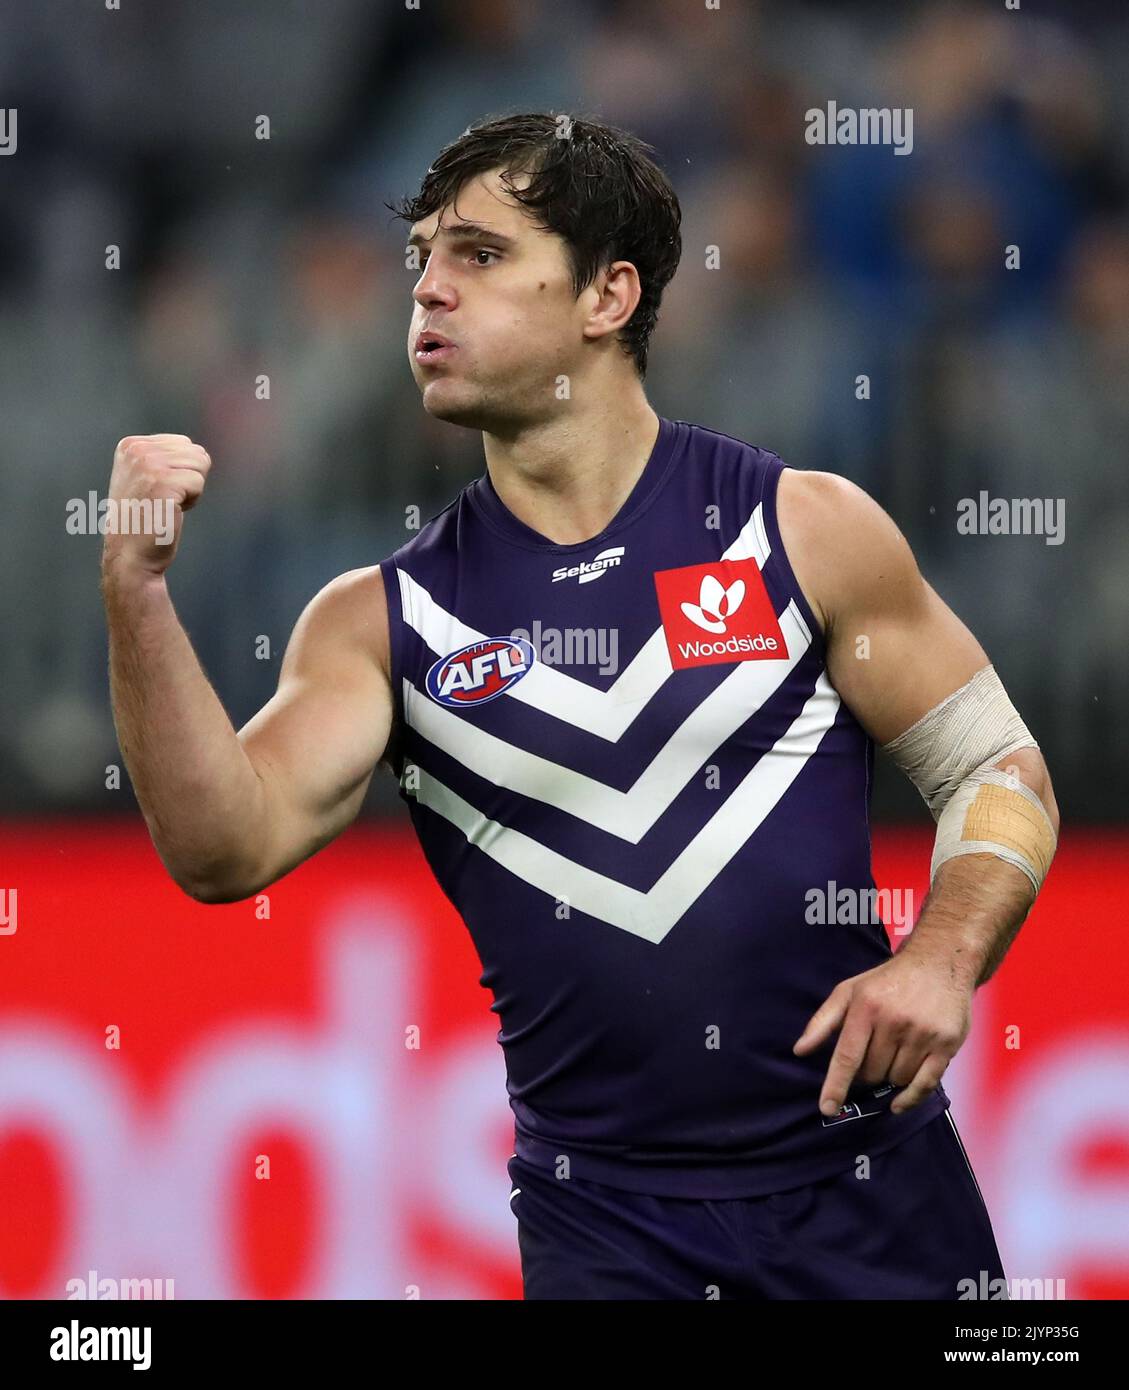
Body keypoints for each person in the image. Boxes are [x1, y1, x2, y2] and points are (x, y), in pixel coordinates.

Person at [101, 113, 1059, 1299]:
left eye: (480, 255)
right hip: (607, 1231)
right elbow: (217, 848)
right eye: (423, 263)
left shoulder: (800, 530)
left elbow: (1000, 768)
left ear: (608, 297)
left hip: (875, 1196)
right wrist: (136, 592)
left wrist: (943, 960)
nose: (429, 295)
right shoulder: (382, 623)